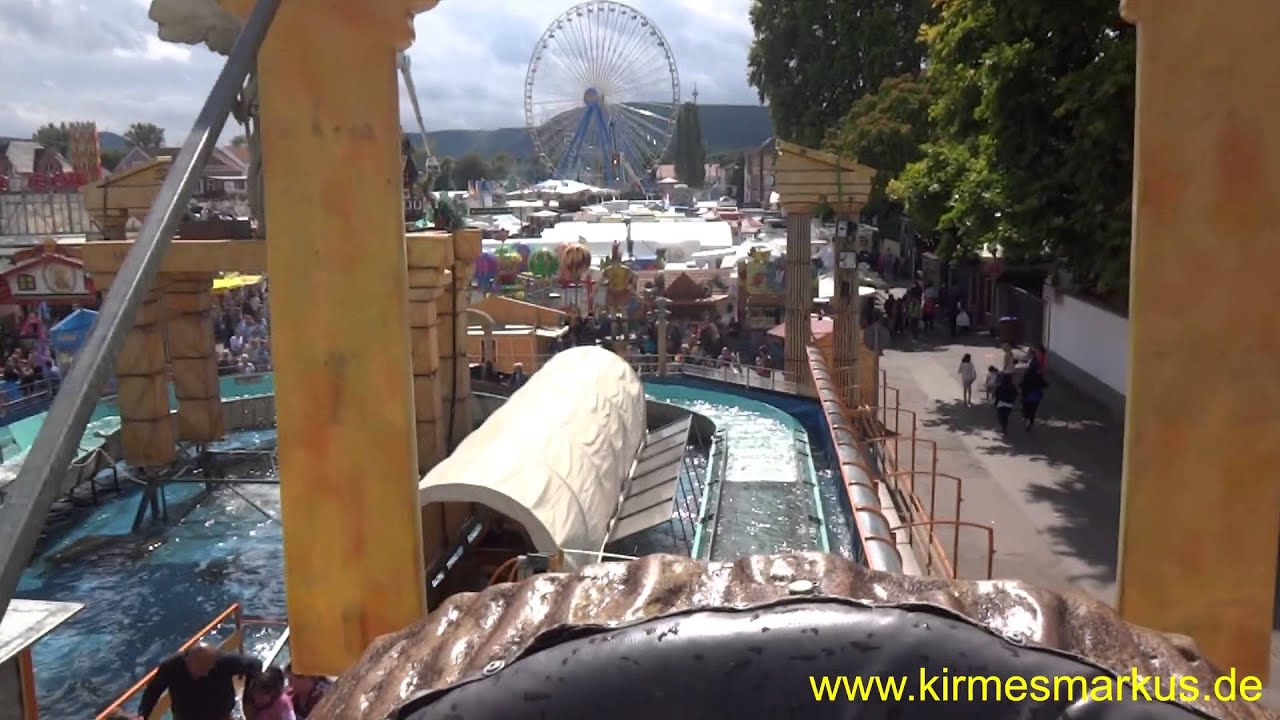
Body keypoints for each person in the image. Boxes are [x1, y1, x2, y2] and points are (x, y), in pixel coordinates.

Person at [136, 643, 262, 720]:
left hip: (220, 716)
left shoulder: (223, 661)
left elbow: (255, 664)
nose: (206, 673)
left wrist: (248, 699)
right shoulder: (172, 666)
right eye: (201, 669)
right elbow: (153, 690)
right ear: (188, 662)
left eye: (209, 668)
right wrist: (143, 714)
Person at [1020, 365, 1049, 431]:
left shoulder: (1026, 376)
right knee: (1033, 411)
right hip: (1035, 397)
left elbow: (1021, 384)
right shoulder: (1038, 377)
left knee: (1026, 409)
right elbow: (1045, 384)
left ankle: (1026, 419)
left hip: (1026, 397)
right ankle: (1030, 422)